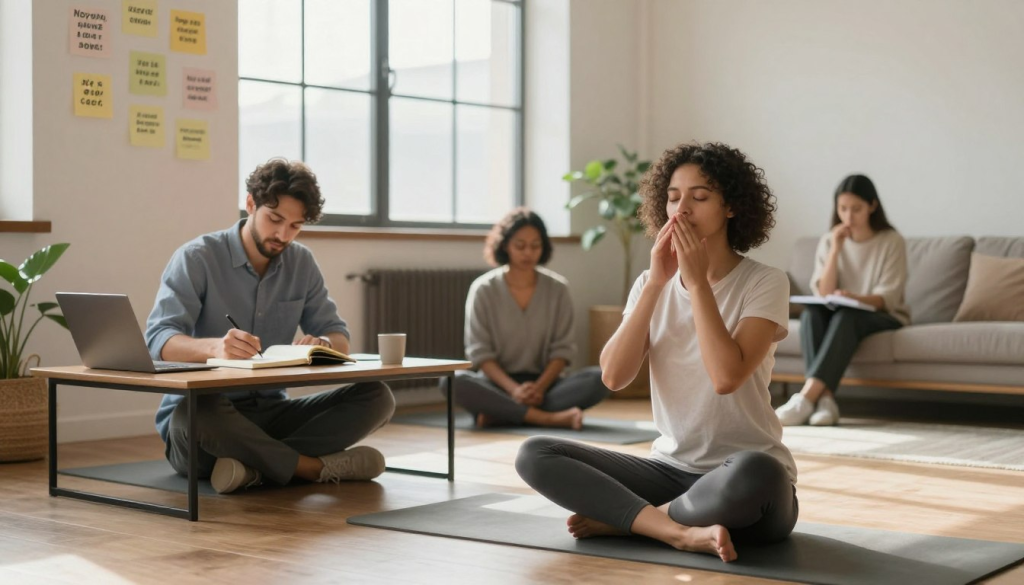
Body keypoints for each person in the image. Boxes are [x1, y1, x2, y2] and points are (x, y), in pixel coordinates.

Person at [516, 142, 797, 563]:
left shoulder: (765, 282)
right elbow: (613, 377)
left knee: (759, 473)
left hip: (741, 480)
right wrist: (655, 284)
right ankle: (676, 532)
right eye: (672, 197)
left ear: (731, 208)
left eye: (699, 197)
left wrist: (698, 284)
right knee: (535, 453)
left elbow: (726, 377)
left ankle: (633, 521)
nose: (682, 208)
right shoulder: (652, 282)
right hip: (669, 472)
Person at [145, 158, 395, 494]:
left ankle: (254, 467)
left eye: (295, 226)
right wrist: (215, 349)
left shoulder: (301, 263)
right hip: (205, 422)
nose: (282, 235)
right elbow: (158, 340)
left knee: (377, 396)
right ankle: (309, 468)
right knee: (197, 411)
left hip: (271, 413)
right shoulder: (197, 258)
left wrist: (322, 343)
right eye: (274, 219)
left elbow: (339, 335)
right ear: (250, 203)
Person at [442, 208, 609, 430]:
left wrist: (538, 388)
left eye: (535, 245)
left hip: (547, 386)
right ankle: (547, 418)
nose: (528, 253)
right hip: (497, 385)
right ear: (505, 246)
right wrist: (514, 390)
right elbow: (480, 354)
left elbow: (562, 351)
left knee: (602, 377)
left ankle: (499, 413)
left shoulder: (558, 289)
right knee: (452, 381)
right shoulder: (483, 289)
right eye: (520, 246)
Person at [775, 174, 908, 427]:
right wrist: (836, 248)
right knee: (812, 315)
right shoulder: (829, 240)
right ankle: (825, 401)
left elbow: (887, 298)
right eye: (843, 209)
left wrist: (853, 297)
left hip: (883, 315)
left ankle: (804, 398)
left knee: (848, 316)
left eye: (856, 209)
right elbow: (823, 292)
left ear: (872, 206)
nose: (849, 217)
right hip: (840, 311)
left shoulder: (891, 241)